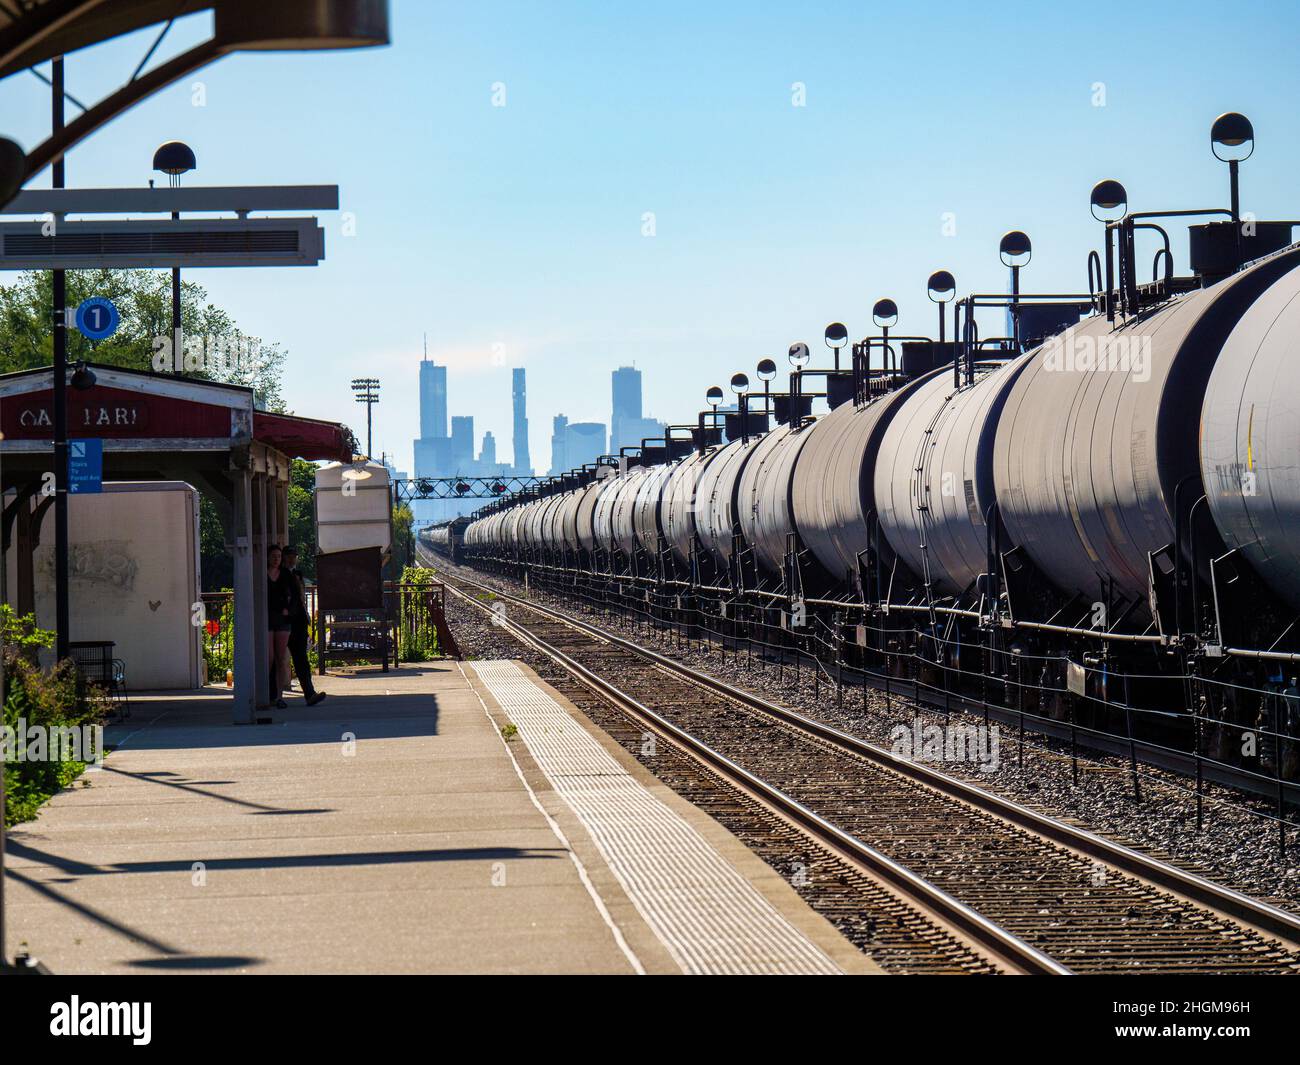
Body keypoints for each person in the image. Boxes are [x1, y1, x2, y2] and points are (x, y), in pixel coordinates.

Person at [282, 545, 326, 707]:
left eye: (294, 556)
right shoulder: (280, 575)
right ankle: (275, 696)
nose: (292, 559)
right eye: (289, 556)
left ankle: (309, 693)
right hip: (284, 621)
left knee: (301, 658)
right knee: (278, 660)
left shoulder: (298, 575)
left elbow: (300, 599)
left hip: (299, 620)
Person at [266, 544, 295, 709]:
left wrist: (288, 610)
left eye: (278, 556)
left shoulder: (286, 575)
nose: (276, 559)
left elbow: (294, 596)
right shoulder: (262, 574)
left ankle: (279, 696)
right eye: (273, 556)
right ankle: (268, 692)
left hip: (283, 619)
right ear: (268, 558)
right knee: (269, 658)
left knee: (281, 657)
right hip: (268, 617)